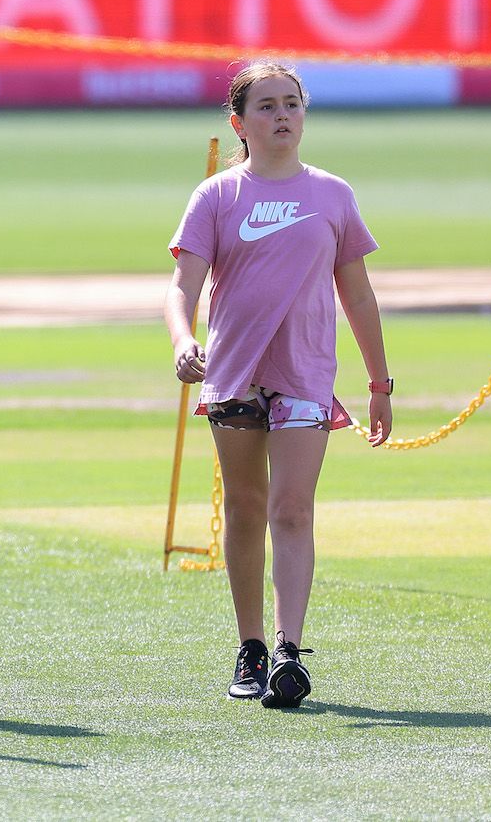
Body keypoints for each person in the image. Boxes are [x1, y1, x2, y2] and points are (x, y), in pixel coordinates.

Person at [164, 61, 392, 709]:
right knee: (244, 507)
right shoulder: (216, 196)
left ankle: (291, 650)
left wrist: (381, 382)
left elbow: (359, 294)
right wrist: (184, 341)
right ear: (239, 122)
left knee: (292, 507)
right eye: (265, 106)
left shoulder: (332, 195)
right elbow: (181, 288)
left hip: (306, 373)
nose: (281, 115)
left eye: (291, 103)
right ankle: (252, 644)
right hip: (234, 372)